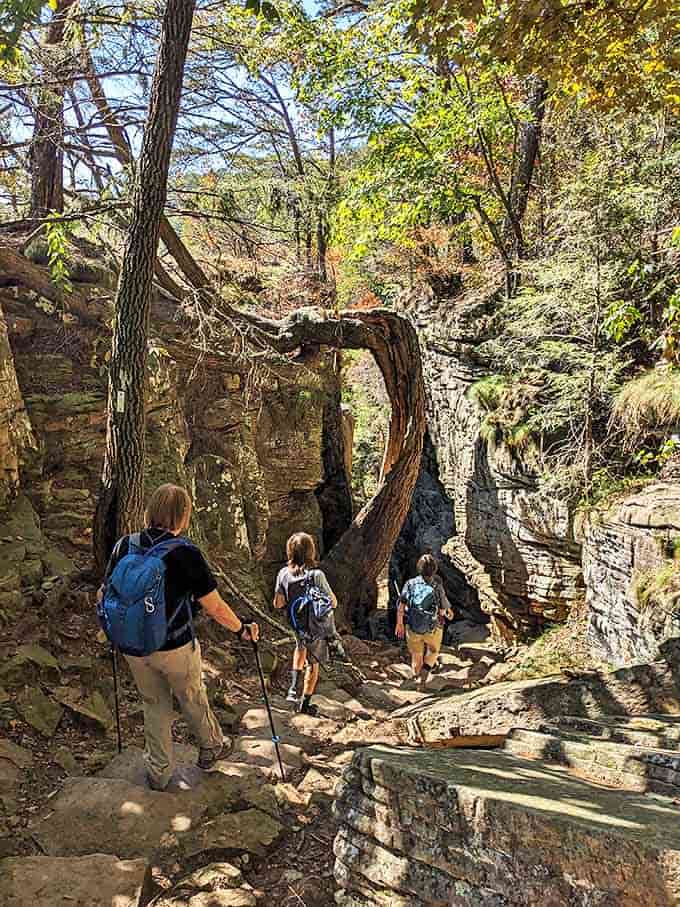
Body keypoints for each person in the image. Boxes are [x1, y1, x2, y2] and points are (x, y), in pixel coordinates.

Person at [99, 483, 259, 791]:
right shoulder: (185, 553)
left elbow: (104, 592)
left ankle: (158, 773)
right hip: (175, 646)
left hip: (133, 645)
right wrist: (241, 629)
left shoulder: (125, 545)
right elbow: (214, 607)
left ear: (150, 511)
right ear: (182, 517)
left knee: (153, 704)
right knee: (191, 696)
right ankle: (212, 747)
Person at [273, 531, 345, 715]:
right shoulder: (317, 575)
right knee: (313, 664)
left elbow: (278, 603)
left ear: (290, 551)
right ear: (311, 551)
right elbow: (333, 602)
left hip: (297, 624)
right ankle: (305, 703)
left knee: (300, 648)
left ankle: (292, 690)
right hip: (315, 626)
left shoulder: (283, 573)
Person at [395, 554, 453, 688]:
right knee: (433, 652)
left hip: (413, 626)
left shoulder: (410, 584)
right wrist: (449, 614)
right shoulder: (437, 586)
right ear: (435, 569)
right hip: (433, 628)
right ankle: (423, 678)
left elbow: (401, 606)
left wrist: (399, 624)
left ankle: (416, 680)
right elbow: (443, 610)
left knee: (416, 655)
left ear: (418, 568)